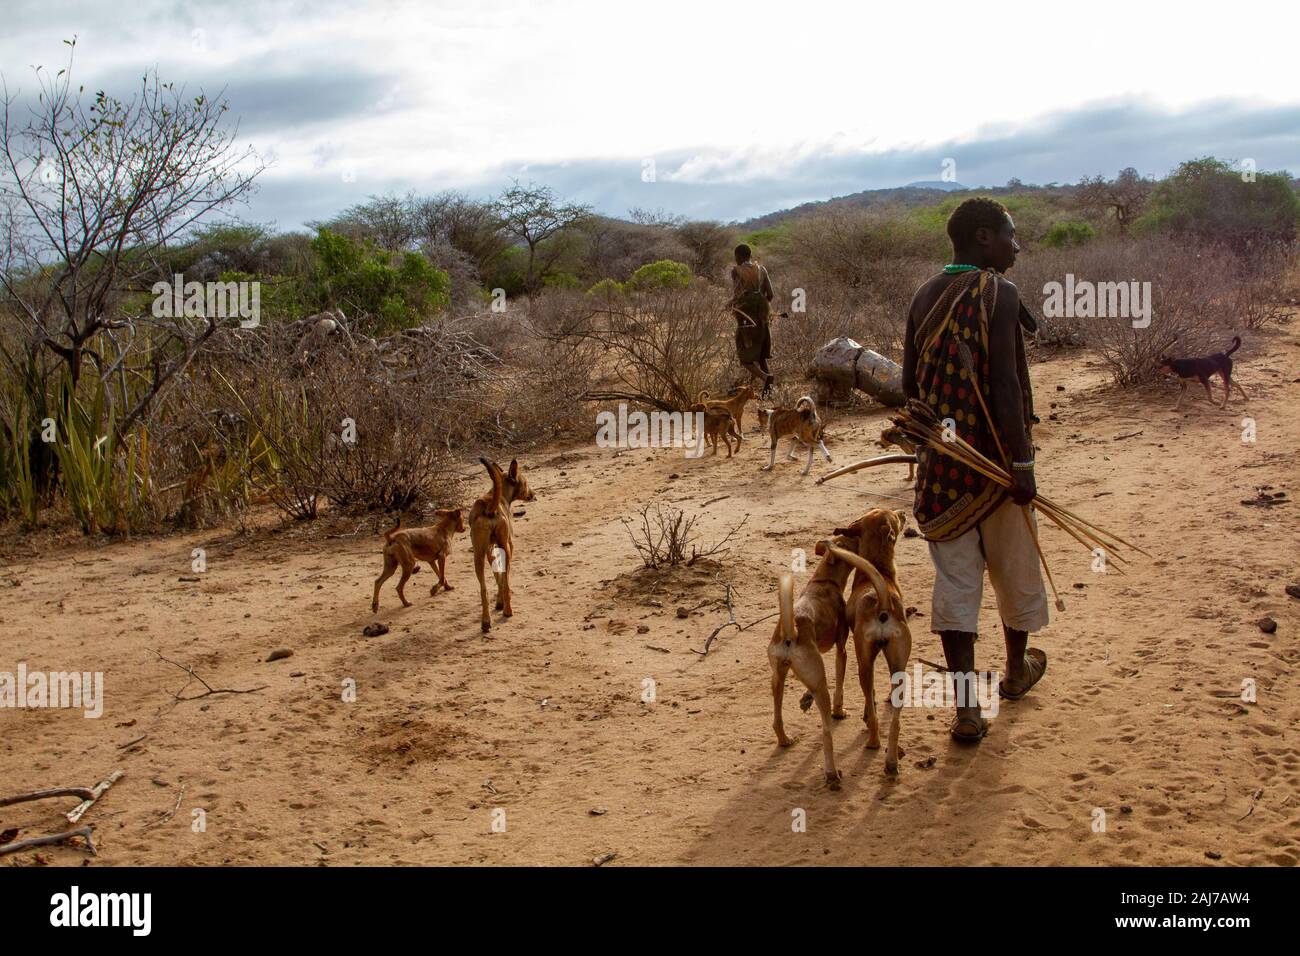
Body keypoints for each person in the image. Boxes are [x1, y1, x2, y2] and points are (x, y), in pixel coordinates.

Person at [900, 197, 1048, 743]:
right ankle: (1015, 673)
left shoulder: (923, 294)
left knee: (957, 583)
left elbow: (909, 387)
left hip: (942, 472)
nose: (1017, 244)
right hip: (998, 469)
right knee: (1013, 572)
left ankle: (967, 709)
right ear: (984, 237)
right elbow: (1005, 388)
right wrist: (1022, 463)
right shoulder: (1000, 294)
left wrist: (934, 438)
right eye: (1011, 234)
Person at [729, 243, 775, 396]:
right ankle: (768, 392)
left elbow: (737, 295)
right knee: (761, 356)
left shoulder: (737, 271)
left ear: (739, 256)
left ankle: (765, 377)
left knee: (745, 358)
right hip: (762, 317)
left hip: (746, 319)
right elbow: (771, 294)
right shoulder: (762, 269)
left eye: (736, 257)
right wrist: (761, 303)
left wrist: (733, 306)